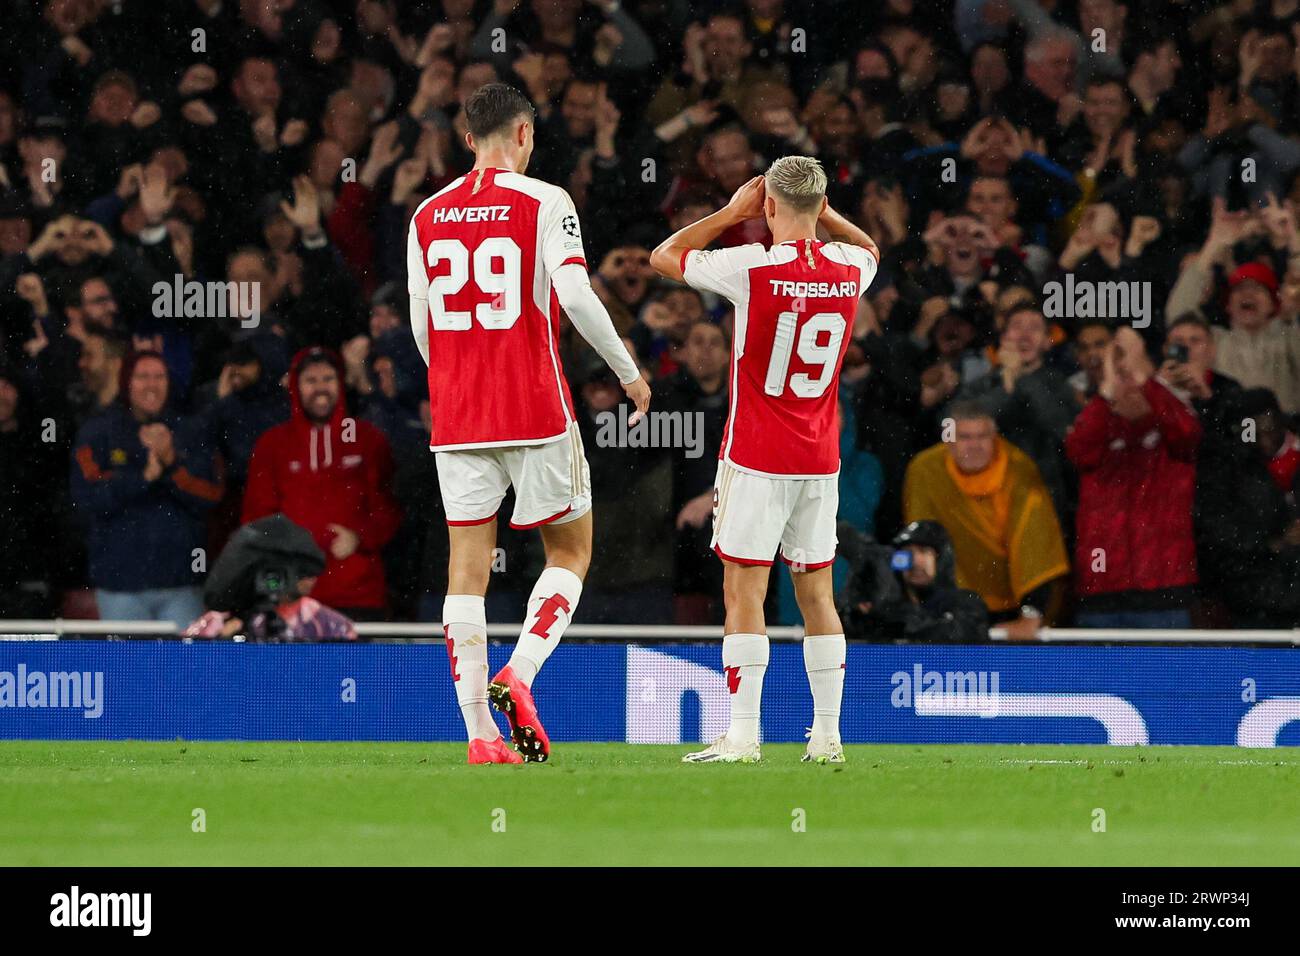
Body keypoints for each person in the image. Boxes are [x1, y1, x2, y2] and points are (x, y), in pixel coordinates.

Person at [407, 83, 650, 765]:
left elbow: (421, 320)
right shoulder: (545, 200)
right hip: (533, 404)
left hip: (458, 414)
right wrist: (627, 370)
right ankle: (521, 671)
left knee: (466, 569)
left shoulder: (426, 214)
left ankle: (478, 733)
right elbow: (573, 291)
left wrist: (458, 376)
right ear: (523, 135)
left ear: (465, 137)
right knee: (570, 552)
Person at [651, 156, 879, 764]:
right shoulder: (849, 267)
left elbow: (664, 256)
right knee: (818, 595)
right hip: (819, 457)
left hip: (756, 457)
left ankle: (744, 736)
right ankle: (828, 737)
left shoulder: (750, 264)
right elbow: (872, 249)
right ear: (822, 204)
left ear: (769, 206)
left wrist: (729, 214)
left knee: (743, 592)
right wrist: (826, 213)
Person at [241, 347, 402, 621]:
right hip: (292, 596)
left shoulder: (368, 439)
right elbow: (257, 518)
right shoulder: (272, 444)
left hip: (358, 594)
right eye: (311, 380)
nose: (320, 388)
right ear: (295, 386)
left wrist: (359, 537)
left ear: (340, 383)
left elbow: (389, 510)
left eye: (328, 379)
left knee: (360, 666)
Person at [1065, 327, 1202, 628]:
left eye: (1134, 379)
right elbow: (1078, 451)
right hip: (1101, 589)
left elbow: (1187, 435)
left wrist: (1145, 377)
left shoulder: (1171, 429)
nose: (1128, 386)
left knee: (1167, 676)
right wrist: (1107, 391)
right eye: (1119, 379)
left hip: (1164, 589)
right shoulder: (1099, 425)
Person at [902, 400, 1069, 638]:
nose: (974, 445)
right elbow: (919, 540)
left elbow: (1036, 546)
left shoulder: (1019, 471)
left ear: (996, 438)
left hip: (1011, 604)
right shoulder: (926, 471)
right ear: (948, 440)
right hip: (948, 603)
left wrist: (1031, 614)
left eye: (983, 437)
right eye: (965, 437)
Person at [841, 521, 990, 644]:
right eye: (907, 553)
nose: (915, 561)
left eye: (924, 551)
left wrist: (895, 615)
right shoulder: (886, 606)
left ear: (942, 558)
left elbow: (955, 635)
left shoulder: (967, 603)